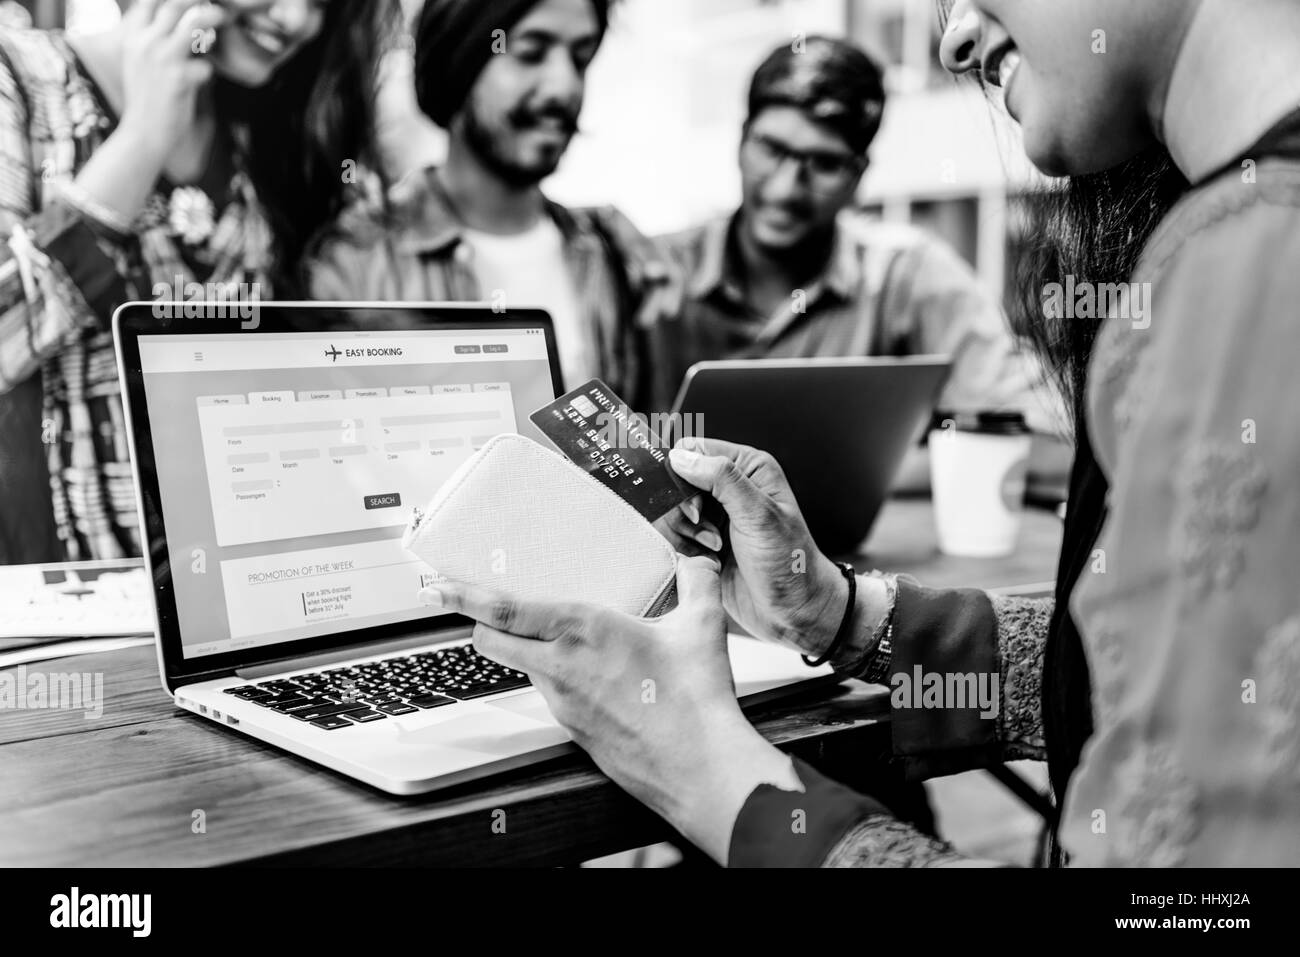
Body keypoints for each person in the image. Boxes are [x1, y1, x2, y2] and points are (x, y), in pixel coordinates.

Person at [418, 0, 1300, 866]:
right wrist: (842, 614)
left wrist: (712, 777)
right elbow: (1131, 682)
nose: (954, 36)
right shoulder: (1230, 244)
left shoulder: (1251, 267)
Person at [0, 0, 399, 564]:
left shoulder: (272, 125)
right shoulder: (18, 77)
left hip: (231, 596)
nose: (294, 20)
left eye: (322, 5)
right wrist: (143, 136)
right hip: (55, 606)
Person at [649, 36, 1059, 442]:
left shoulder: (907, 273)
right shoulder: (652, 269)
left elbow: (1041, 431)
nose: (786, 189)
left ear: (859, 177)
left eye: (824, 164)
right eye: (771, 149)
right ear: (741, 140)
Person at [307, 0, 681, 408]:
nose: (564, 87)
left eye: (580, 58)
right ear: (458, 63)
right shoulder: (354, 261)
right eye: (529, 53)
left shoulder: (615, 258)